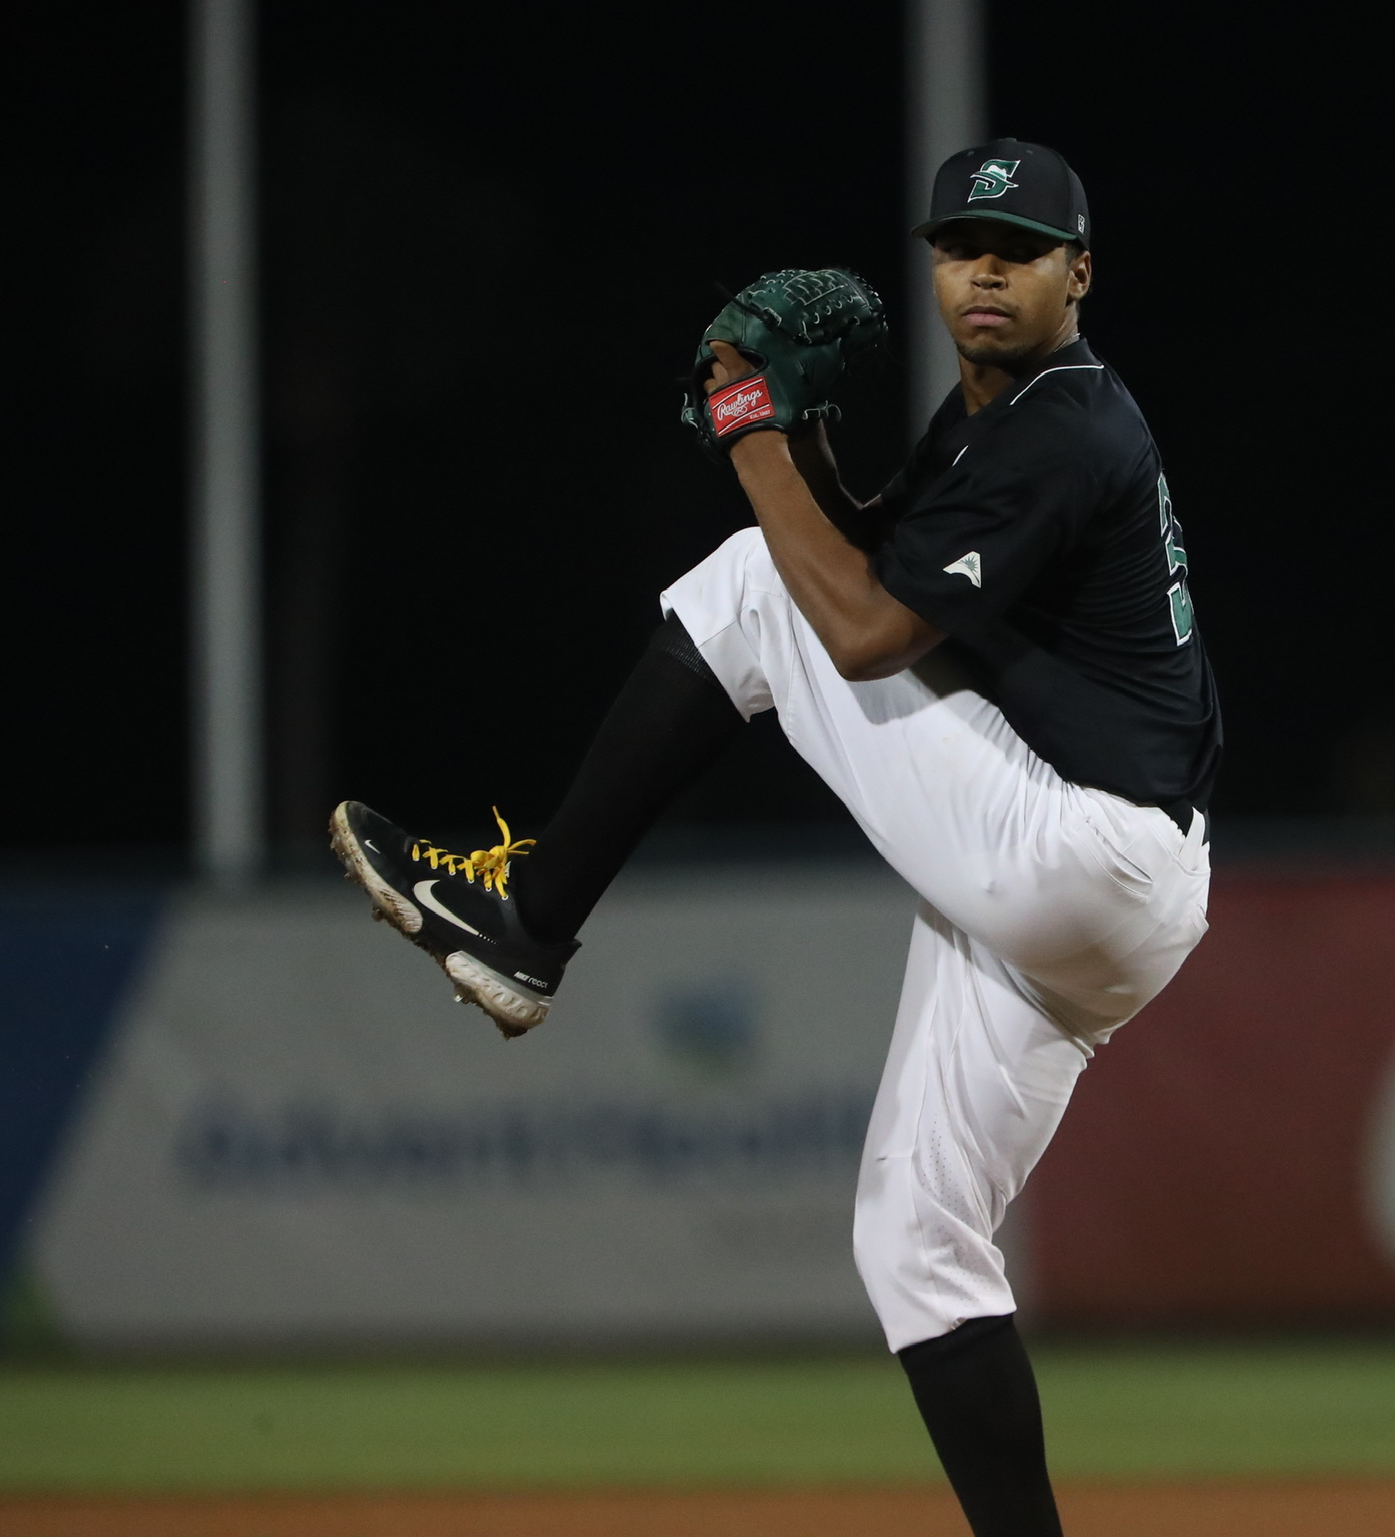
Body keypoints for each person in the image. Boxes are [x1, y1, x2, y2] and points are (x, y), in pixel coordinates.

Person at [328, 138, 1220, 1537]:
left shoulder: (1064, 426)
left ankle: (529, 924)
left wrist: (750, 420)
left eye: (1020, 250)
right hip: (1096, 891)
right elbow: (868, 565)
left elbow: (852, 631)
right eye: (960, 246)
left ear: (1079, 274)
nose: (984, 271)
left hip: (1080, 848)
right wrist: (800, 444)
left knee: (754, 583)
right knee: (915, 1242)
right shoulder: (989, 424)